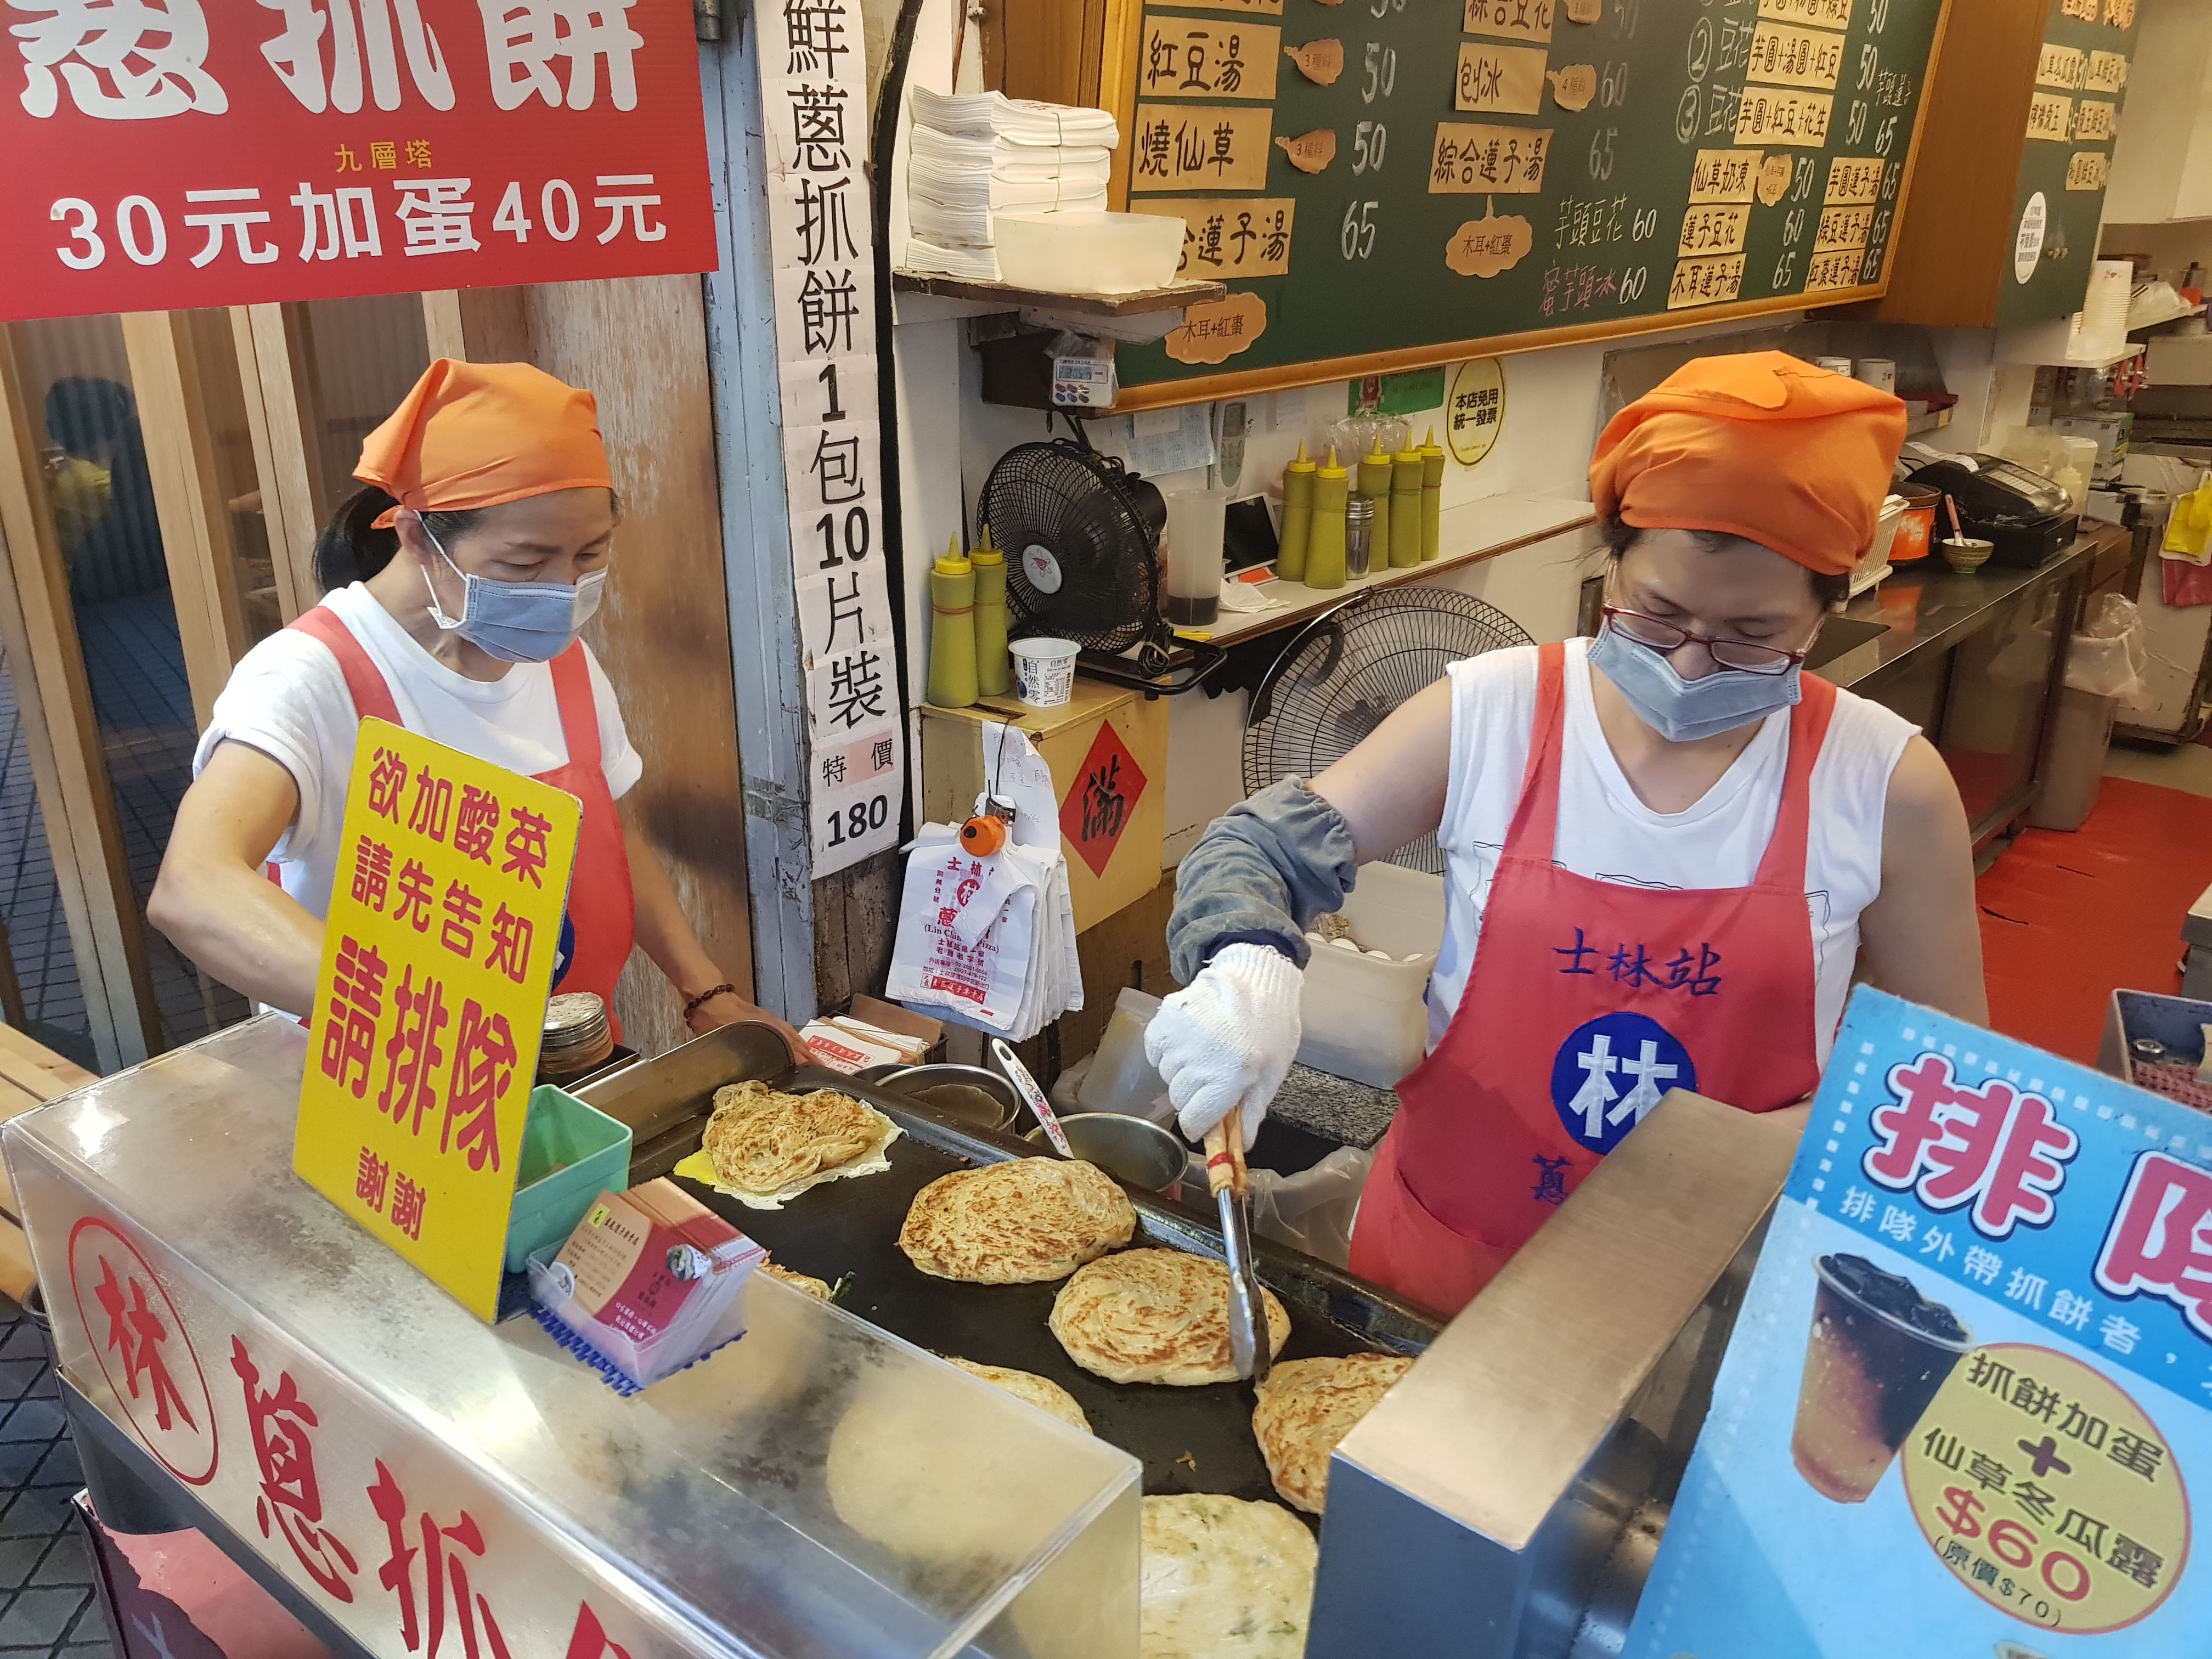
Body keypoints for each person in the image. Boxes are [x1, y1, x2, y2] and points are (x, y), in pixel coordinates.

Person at [1147, 353, 1987, 1318]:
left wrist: (1793, 1141)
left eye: (1752, 633)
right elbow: (1257, 848)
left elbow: (1949, 1079)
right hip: (1439, 1270)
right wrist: (1245, 962)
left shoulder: (1883, 782)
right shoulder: (1492, 712)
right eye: (1658, 613)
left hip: (1705, 1303)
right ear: (1610, 566)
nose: (1691, 660)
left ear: (1825, 606)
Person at [151, 358, 799, 1054]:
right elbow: (194, 886)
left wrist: (703, 990)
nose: (560, 590)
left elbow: (608, 836)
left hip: (562, 1073)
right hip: (385, 1090)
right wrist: (420, 1014)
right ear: (418, 539)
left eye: (589, 555)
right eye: (525, 565)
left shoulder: (564, 662)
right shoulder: (310, 676)